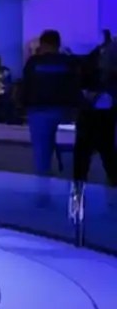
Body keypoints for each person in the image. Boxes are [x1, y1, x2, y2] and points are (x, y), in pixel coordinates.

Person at [22, 29, 80, 205]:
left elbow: (26, 86)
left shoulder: (33, 63)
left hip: (38, 112)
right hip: (64, 113)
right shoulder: (68, 63)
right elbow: (75, 87)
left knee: (41, 156)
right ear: (58, 44)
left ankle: (43, 196)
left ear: (42, 44)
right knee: (69, 156)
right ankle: (72, 196)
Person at [73, 40, 117, 206]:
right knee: (108, 157)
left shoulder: (88, 67)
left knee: (84, 160)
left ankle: (78, 199)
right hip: (101, 117)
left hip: (91, 117)